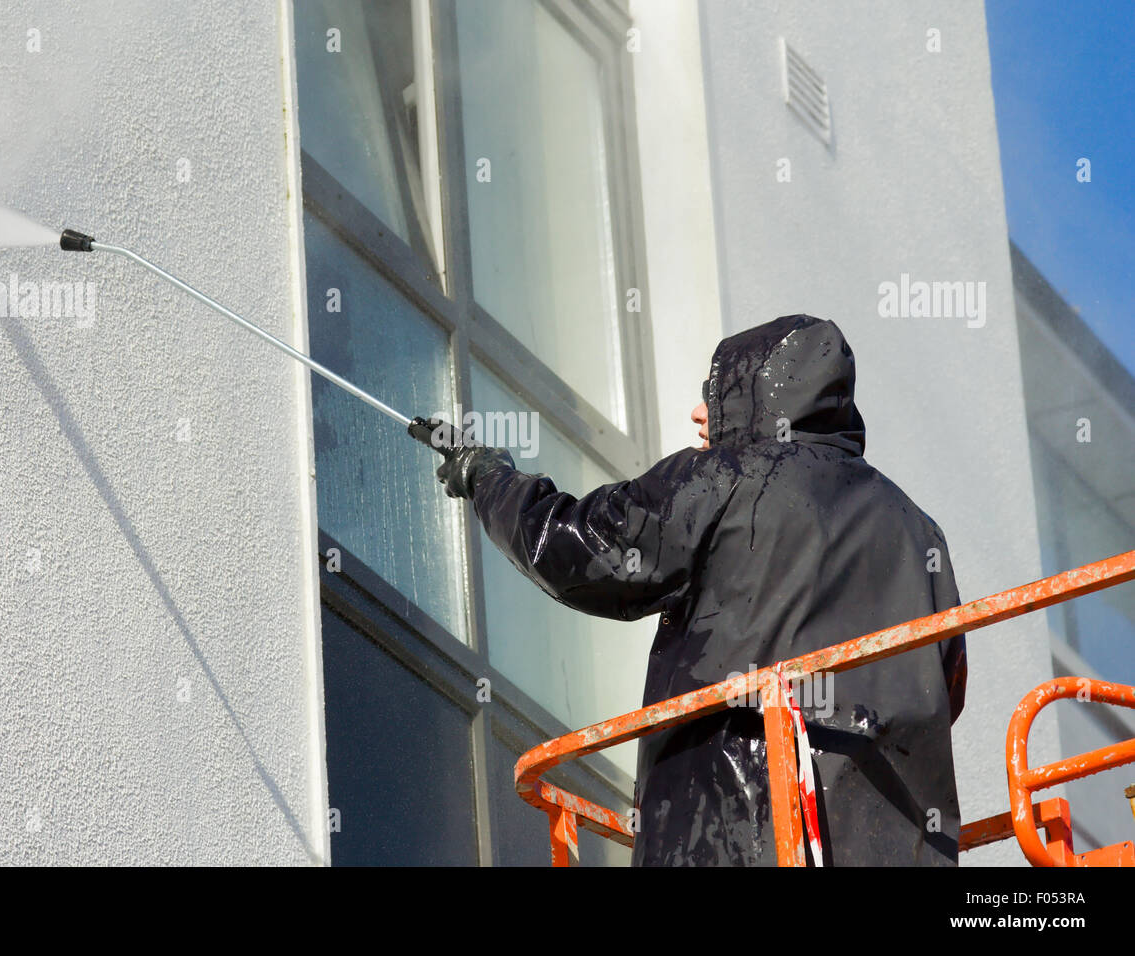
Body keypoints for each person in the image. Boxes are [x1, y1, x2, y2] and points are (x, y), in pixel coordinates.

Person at [412, 313, 968, 866]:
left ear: (757, 398)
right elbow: (945, 691)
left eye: (718, 394)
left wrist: (488, 478)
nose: (701, 412)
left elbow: (580, 551)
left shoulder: (728, 476)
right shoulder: (920, 531)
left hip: (733, 833)